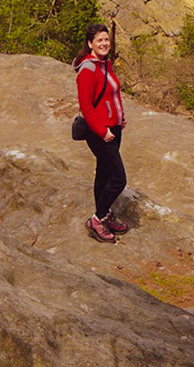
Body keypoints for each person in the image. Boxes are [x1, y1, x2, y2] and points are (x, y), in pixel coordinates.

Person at [74, 23, 129, 243]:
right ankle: (97, 220)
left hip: (113, 127)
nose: (105, 44)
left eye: (106, 40)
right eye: (99, 41)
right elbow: (86, 107)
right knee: (118, 179)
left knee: (104, 174)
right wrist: (102, 130)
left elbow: (113, 93)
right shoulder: (88, 69)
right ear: (90, 44)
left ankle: (104, 215)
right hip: (100, 131)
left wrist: (120, 116)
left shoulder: (106, 64)